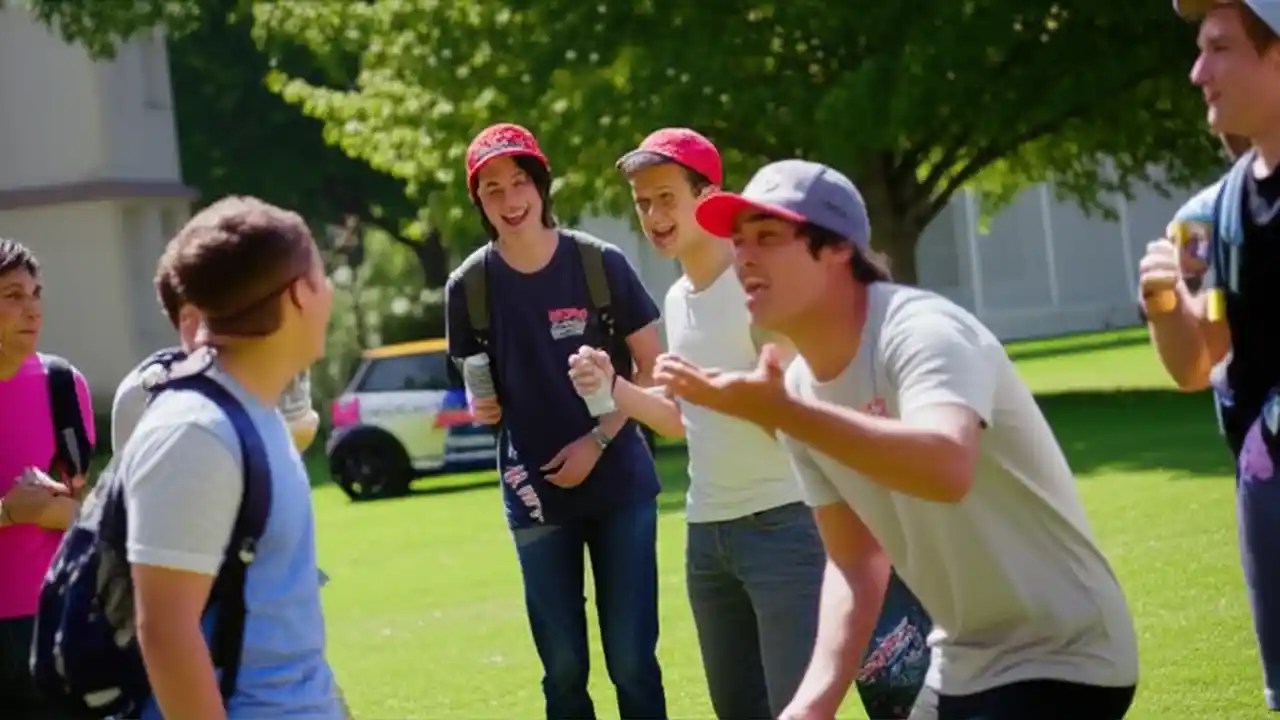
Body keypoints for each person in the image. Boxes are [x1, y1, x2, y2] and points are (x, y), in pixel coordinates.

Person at [656, 159, 1139, 719]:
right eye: (738, 242)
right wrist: (813, 703)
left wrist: (787, 414)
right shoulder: (798, 386)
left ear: (836, 248)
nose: (743, 257)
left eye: (767, 238)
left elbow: (946, 466)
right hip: (961, 660)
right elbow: (855, 563)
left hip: (1067, 655)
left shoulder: (921, 332)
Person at [569, 128, 928, 719]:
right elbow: (685, 421)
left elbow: (800, 420)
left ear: (708, 196)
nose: (654, 215)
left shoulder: (757, 287)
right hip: (708, 535)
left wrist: (734, 399)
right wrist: (616, 390)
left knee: (799, 709)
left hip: (784, 528)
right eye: (642, 202)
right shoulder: (679, 297)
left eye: (666, 197)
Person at [444, 123, 667, 720]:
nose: (511, 200)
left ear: (541, 186)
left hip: (620, 484)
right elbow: (478, 380)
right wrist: (480, 407)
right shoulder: (468, 287)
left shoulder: (599, 264)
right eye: (493, 189)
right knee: (563, 667)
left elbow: (653, 369)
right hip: (533, 494)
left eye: (520, 182)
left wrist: (597, 440)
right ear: (478, 202)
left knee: (631, 662)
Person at [110, 196, 342, 718]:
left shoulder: (252, 413)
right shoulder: (195, 432)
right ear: (299, 295)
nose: (330, 295)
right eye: (322, 278)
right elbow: (166, 632)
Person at [1149, 0, 1280, 709]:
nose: (1199, 72)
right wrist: (1165, 301)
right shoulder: (1206, 218)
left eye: (1220, 49)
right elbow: (1196, 365)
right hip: (1268, 489)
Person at [0, 238, 96, 718]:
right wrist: (8, 512)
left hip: (56, 624)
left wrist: (69, 512)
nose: (32, 309)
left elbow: (86, 514)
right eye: (13, 296)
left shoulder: (64, 384)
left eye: (36, 294)